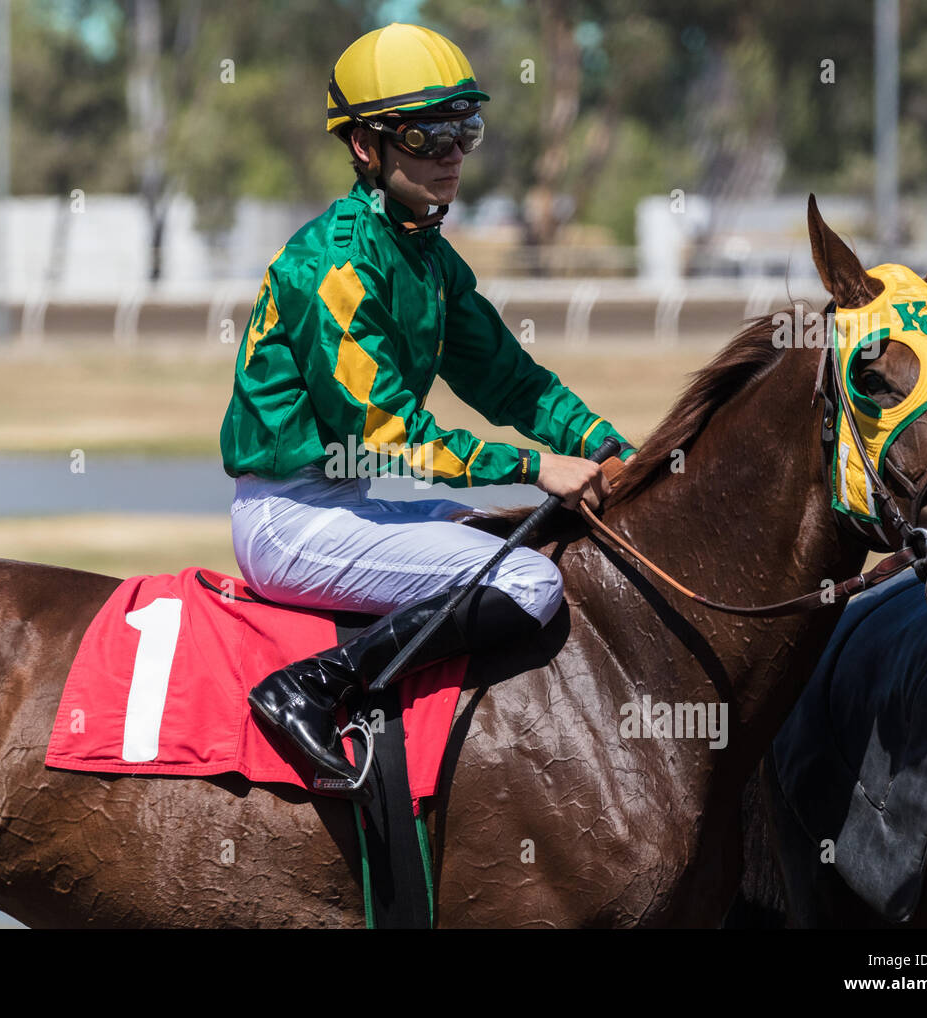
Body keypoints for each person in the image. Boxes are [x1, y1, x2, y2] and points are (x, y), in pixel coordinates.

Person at [219, 23, 634, 788]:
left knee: (521, 540)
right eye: (425, 133)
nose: (451, 155)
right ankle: (315, 686)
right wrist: (538, 466)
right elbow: (380, 435)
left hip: (353, 506)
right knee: (528, 584)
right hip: (289, 519)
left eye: (463, 132)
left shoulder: (429, 260)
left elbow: (515, 383)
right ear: (365, 149)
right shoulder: (334, 266)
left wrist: (614, 448)